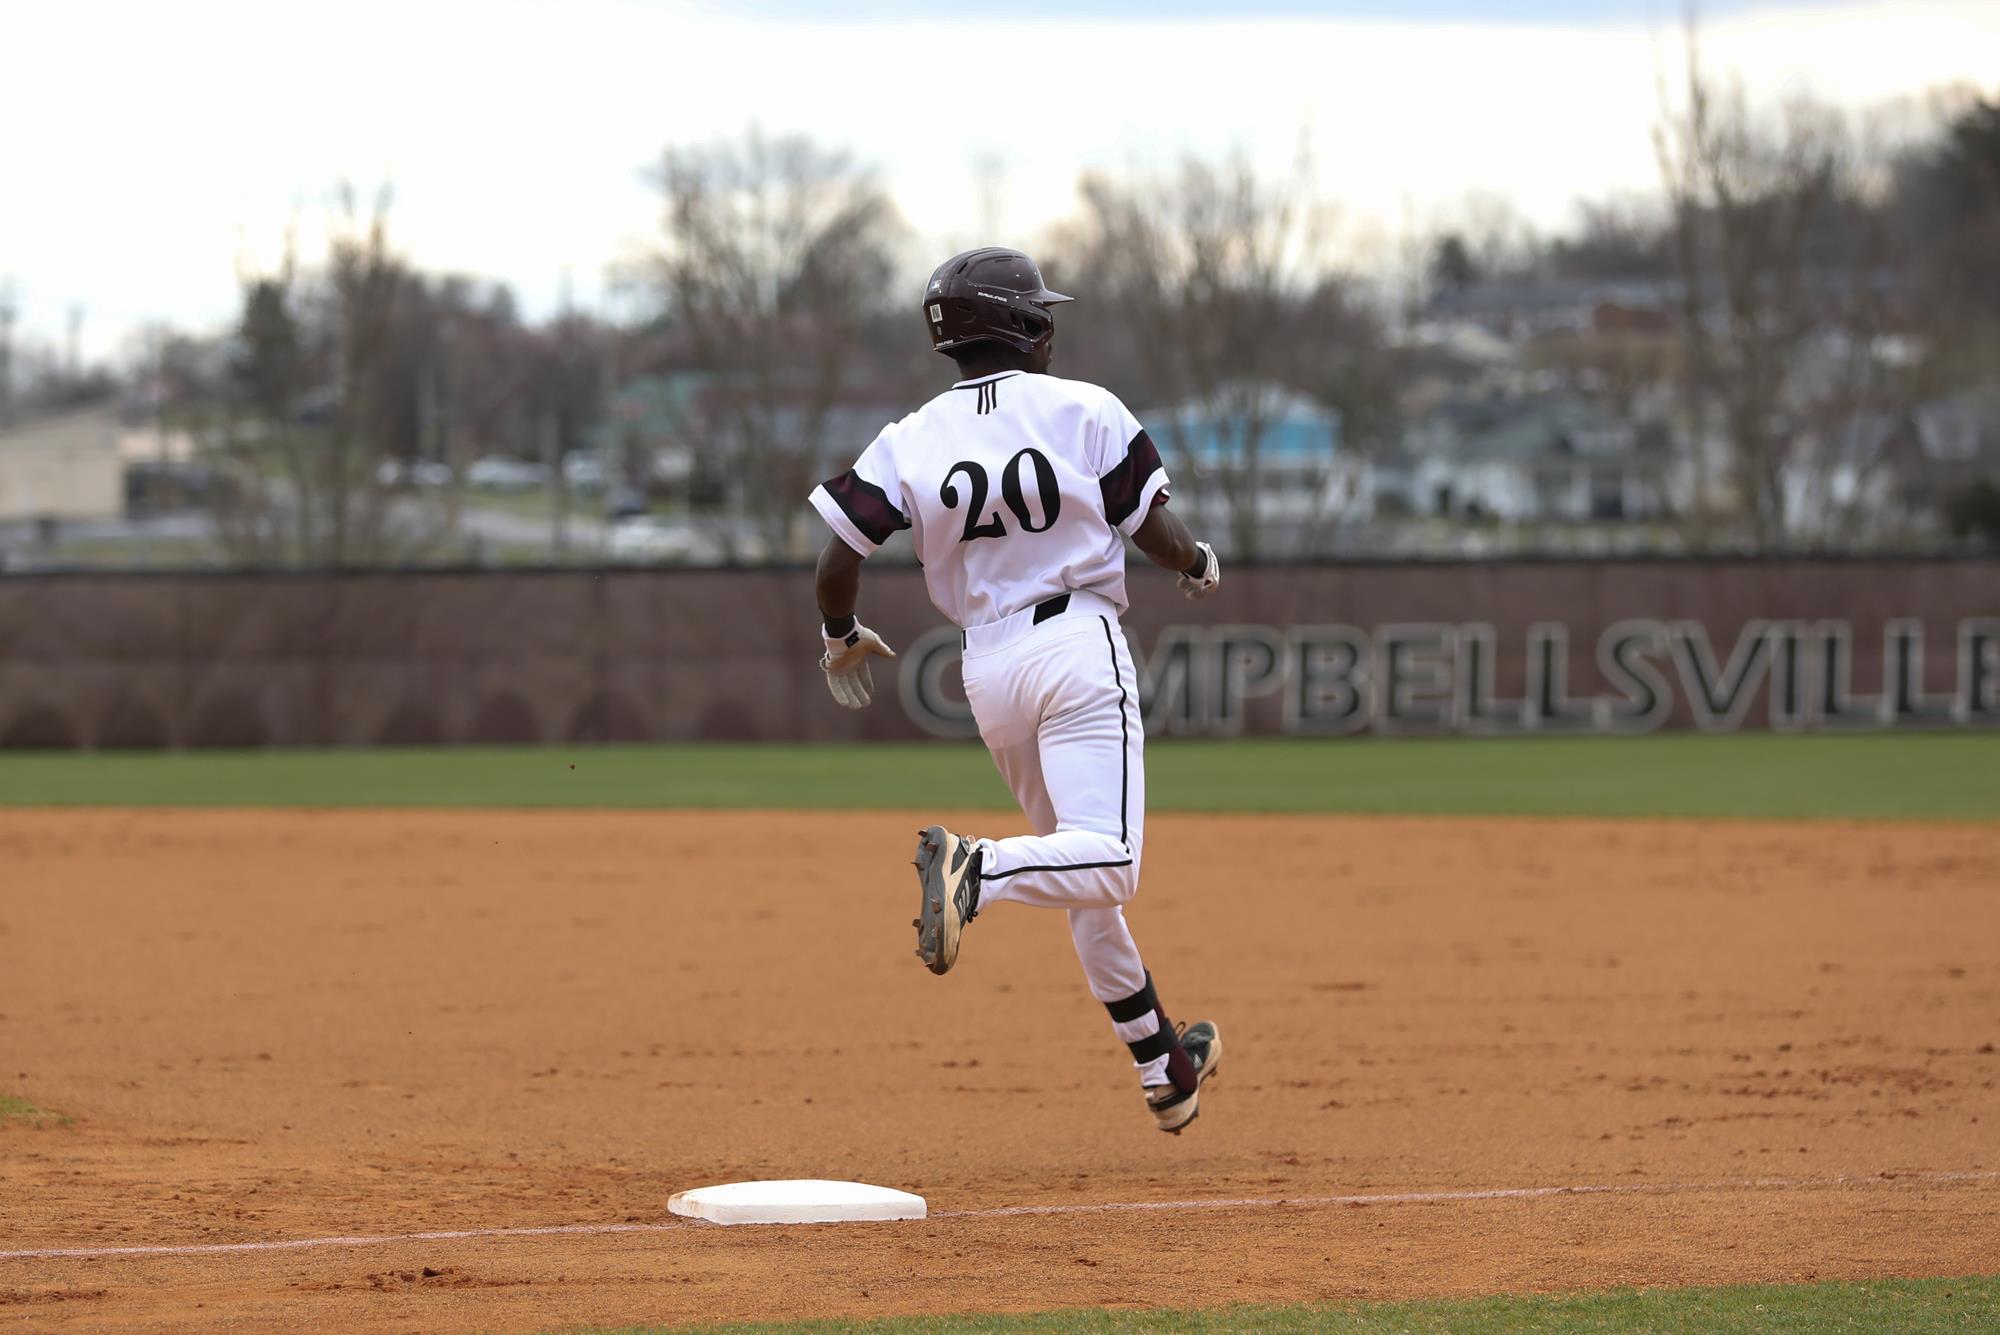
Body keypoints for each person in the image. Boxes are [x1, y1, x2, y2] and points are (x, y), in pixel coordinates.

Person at [807, 247, 1224, 1132]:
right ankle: (978, 869)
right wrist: (1196, 561)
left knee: (1081, 874)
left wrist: (840, 636)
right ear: (1024, 324)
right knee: (1110, 859)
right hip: (1075, 644)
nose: (1050, 325)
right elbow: (1152, 527)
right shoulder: (1085, 407)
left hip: (987, 669)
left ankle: (1163, 1066)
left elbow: (838, 559)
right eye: (1042, 312)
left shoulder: (909, 437)